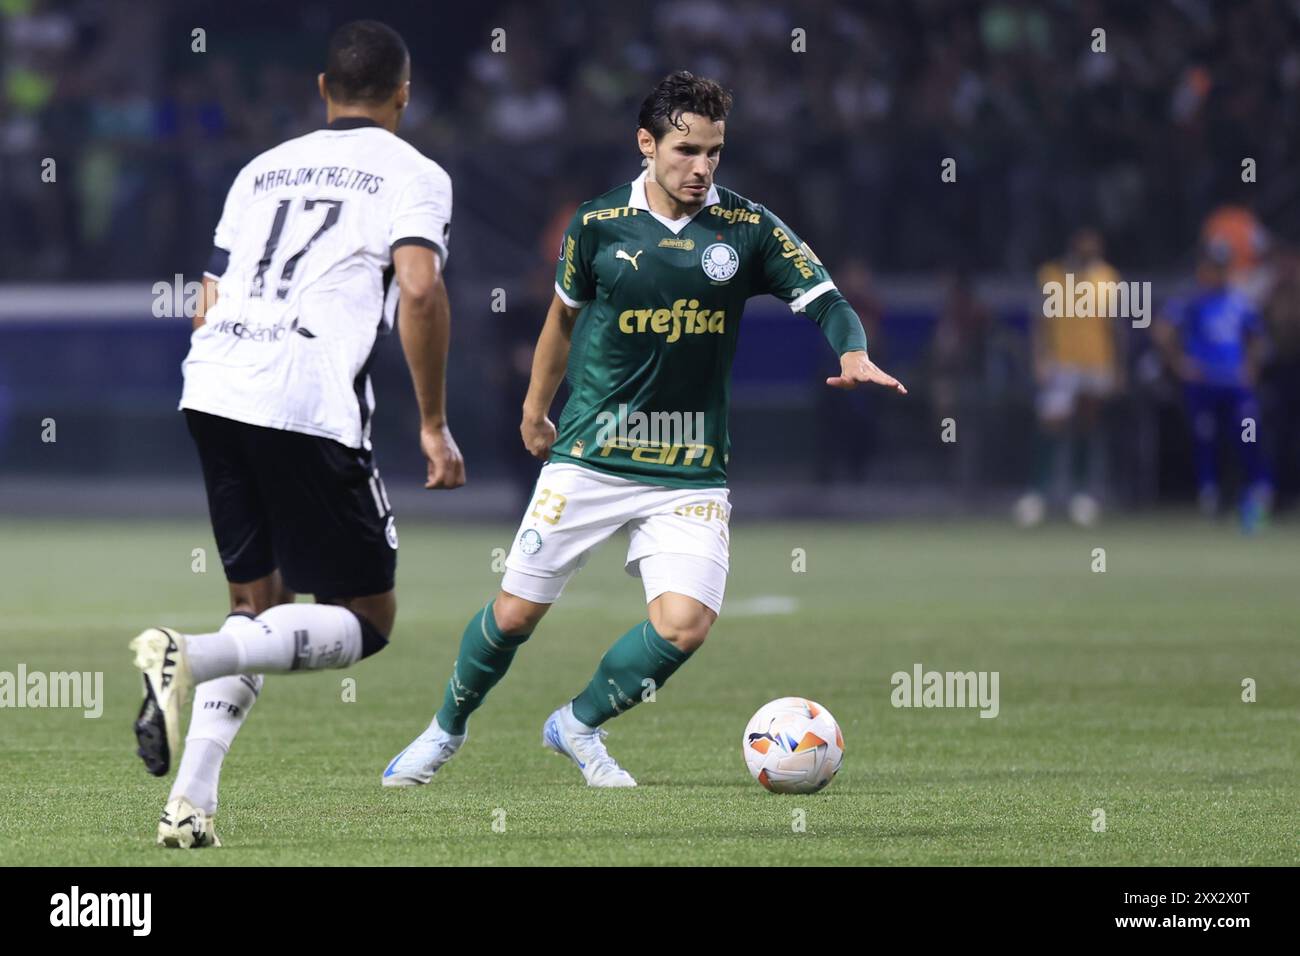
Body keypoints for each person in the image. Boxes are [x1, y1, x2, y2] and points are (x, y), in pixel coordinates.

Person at [383, 71, 905, 789]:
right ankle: (444, 731)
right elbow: (560, 323)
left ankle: (577, 725)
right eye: (687, 150)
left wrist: (852, 352)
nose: (702, 167)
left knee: (684, 625)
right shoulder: (597, 226)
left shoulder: (747, 229)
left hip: (690, 464)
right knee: (512, 617)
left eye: (715, 152)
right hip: (591, 452)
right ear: (646, 143)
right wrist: (536, 411)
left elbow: (825, 299)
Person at [129, 20, 464, 847]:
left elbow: (209, 294)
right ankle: (188, 654)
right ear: (404, 94)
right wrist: (433, 424)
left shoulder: (260, 168)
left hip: (213, 383)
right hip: (305, 398)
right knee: (370, 618)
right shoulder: (416, 174)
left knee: (258, 605)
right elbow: (418, 291)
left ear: (323, 89)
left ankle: (191, 804)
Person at [1154, 241, 1271, 529]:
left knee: (1247, 433)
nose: (1216, 273)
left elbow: (1257, 337)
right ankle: (1211, 493)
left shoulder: (1239, 301)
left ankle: (1258, 490)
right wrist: (1180, 363)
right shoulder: (1191, 300)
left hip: (1235, 384)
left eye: (1221, 267)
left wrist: (1251, 368)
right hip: (1203, 383)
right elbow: (1162, 330)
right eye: (1211, 267)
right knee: (1205, 437)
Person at [1016, 228, 1122, 527]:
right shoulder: (1051, 275)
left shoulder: (1107, 278)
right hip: (1062, 362)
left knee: (1086, 424)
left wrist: (1117, 366)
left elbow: (1115, 326)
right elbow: (1040, 322)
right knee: (1052, 422)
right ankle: (1037, 493)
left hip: (1096, 361)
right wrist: (1039, 358)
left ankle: (1081, 494)